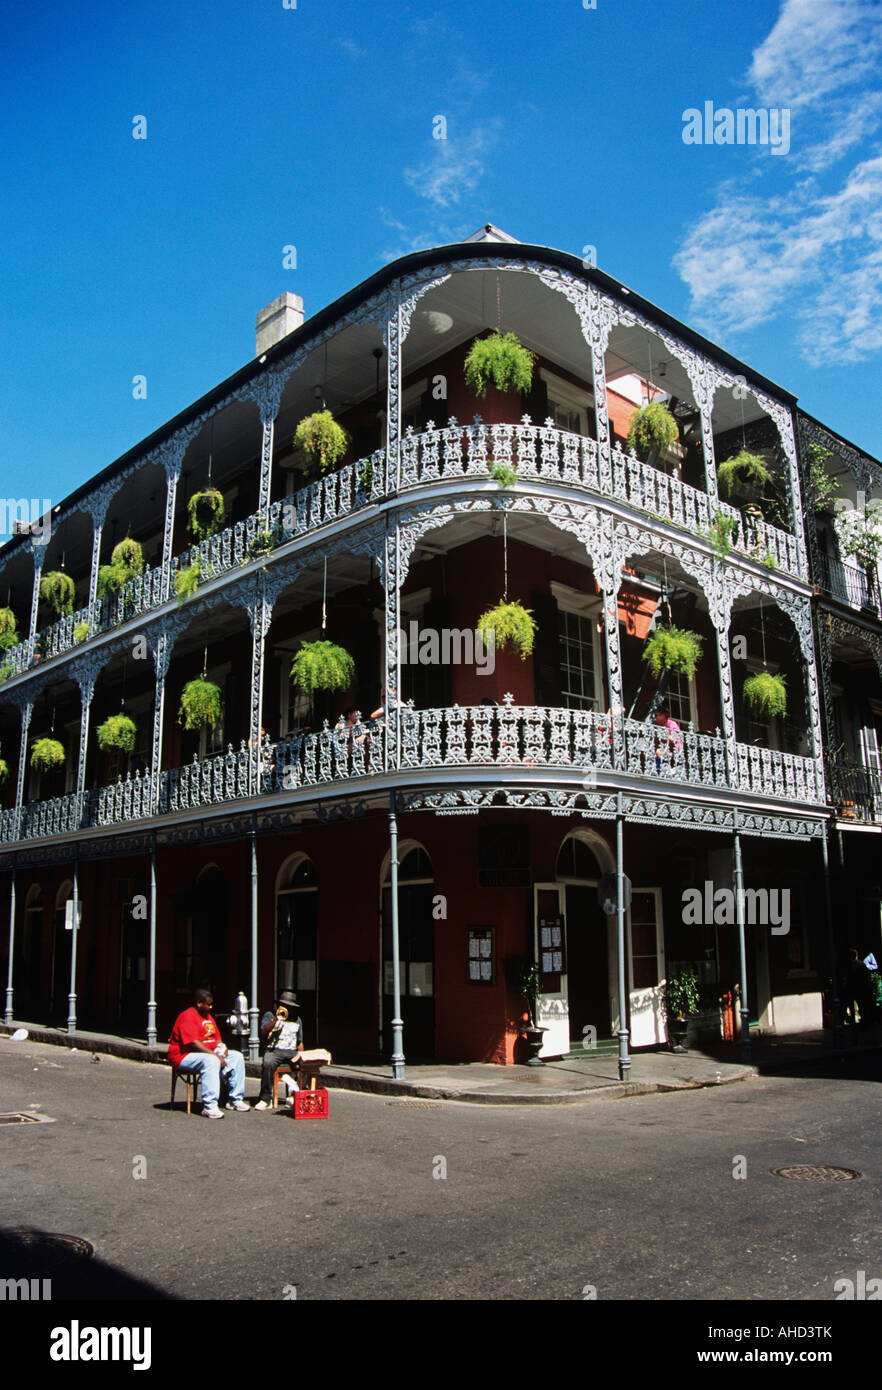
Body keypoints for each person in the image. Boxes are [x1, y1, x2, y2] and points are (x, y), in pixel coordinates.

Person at [168, 987, 249, 1119]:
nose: (211, 1007)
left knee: (237, 1057)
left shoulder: (209, 1017)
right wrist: (215, 1056)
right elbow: (193, 1043)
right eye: (208, 1004)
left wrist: (222, 1047)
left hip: (209, 1053)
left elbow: (217, 1038)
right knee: (211, 1061)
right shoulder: (187, 1016)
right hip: (183, 1056)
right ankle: (209, 1106)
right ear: (199, 1003)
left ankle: (235, 1099)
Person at [253, 989, 304, 1110]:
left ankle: (294, 1095)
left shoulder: (297, 1019)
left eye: (289, 1007)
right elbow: (263, 1033)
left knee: (306, 1065)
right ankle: (265, 1099)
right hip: (274, 1050)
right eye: (284, 1006)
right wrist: (275, 1021)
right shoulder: (270, 1015)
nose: (287, 1008)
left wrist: (303, 1056)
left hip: (292, 1052)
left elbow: (300, 1042)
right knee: (268, 1063)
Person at [654, 705, 683, 773]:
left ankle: (661, 771)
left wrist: (662, 735)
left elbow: (675, 739)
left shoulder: (672, 724)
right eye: (656, 716)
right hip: (665, 749)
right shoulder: (659, 726)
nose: (657, 718)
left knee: (658, 752)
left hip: (676, 751)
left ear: (665, 715)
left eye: (659, 715)